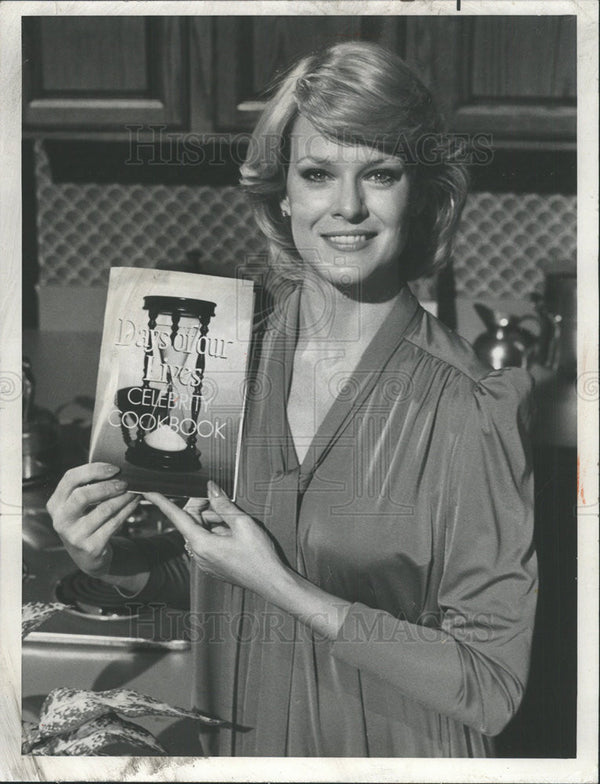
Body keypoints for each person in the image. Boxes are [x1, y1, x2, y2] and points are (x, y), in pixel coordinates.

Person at [47, 42, 538, 757]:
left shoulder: (469, 406)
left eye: (380, 173)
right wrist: (109, 561)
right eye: (318, 173)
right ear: (283, 193)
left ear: (423, 195)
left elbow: (492, 685)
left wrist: (284, 589)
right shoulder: (224, 361)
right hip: (245, 747)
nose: (347, 206)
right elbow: (209, 566)